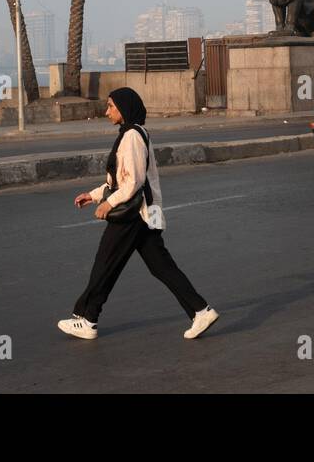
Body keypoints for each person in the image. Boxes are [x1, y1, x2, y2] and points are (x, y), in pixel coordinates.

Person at [59, 87, 218, 341]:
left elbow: (132, 183)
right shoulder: (133, 133)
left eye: (111, 106)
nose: (106, 111)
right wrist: (94, 195)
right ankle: (201, 310)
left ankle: (88, 320)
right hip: (149, 211)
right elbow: (120, 180)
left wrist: (108, 204)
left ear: (124, 108)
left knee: (105, 264)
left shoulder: (132, 136)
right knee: (162, 267)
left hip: (135, 213)